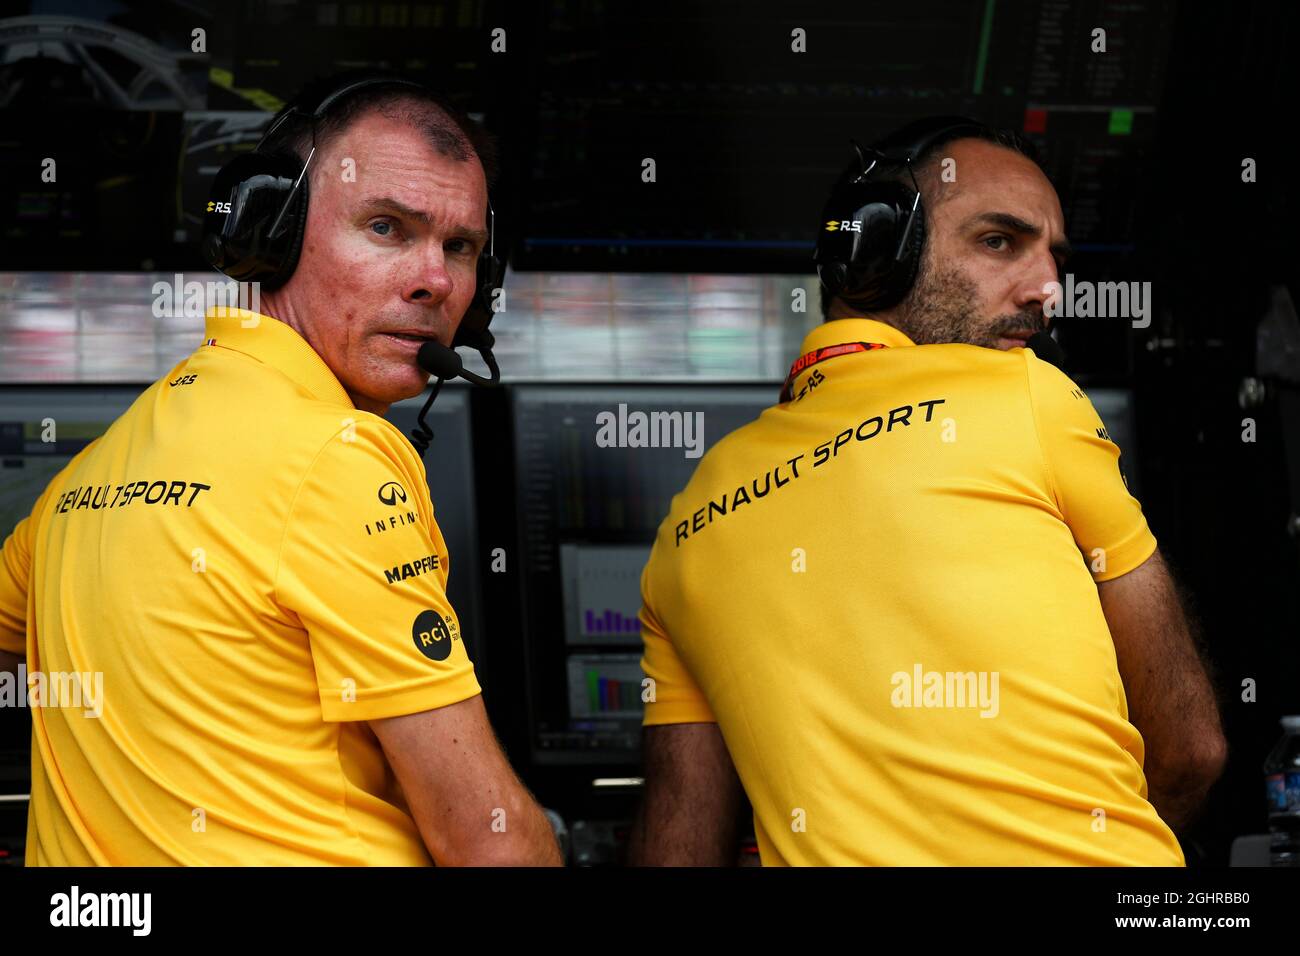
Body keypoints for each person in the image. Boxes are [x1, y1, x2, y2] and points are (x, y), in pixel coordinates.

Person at [628, 117, 1226, 866]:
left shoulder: (690, 522)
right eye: (999, 241)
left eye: (1055, 258)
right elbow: (1190, 751)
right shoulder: (1034, 395)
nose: (1048, 290)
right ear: (876, 250)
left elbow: (678, 849)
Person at [0, 73, 560, 866]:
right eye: (387, 227)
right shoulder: (338, 458)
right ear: (271, 232)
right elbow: (491, 844)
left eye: (460, 247)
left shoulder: (88, 475)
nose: (435, 280)